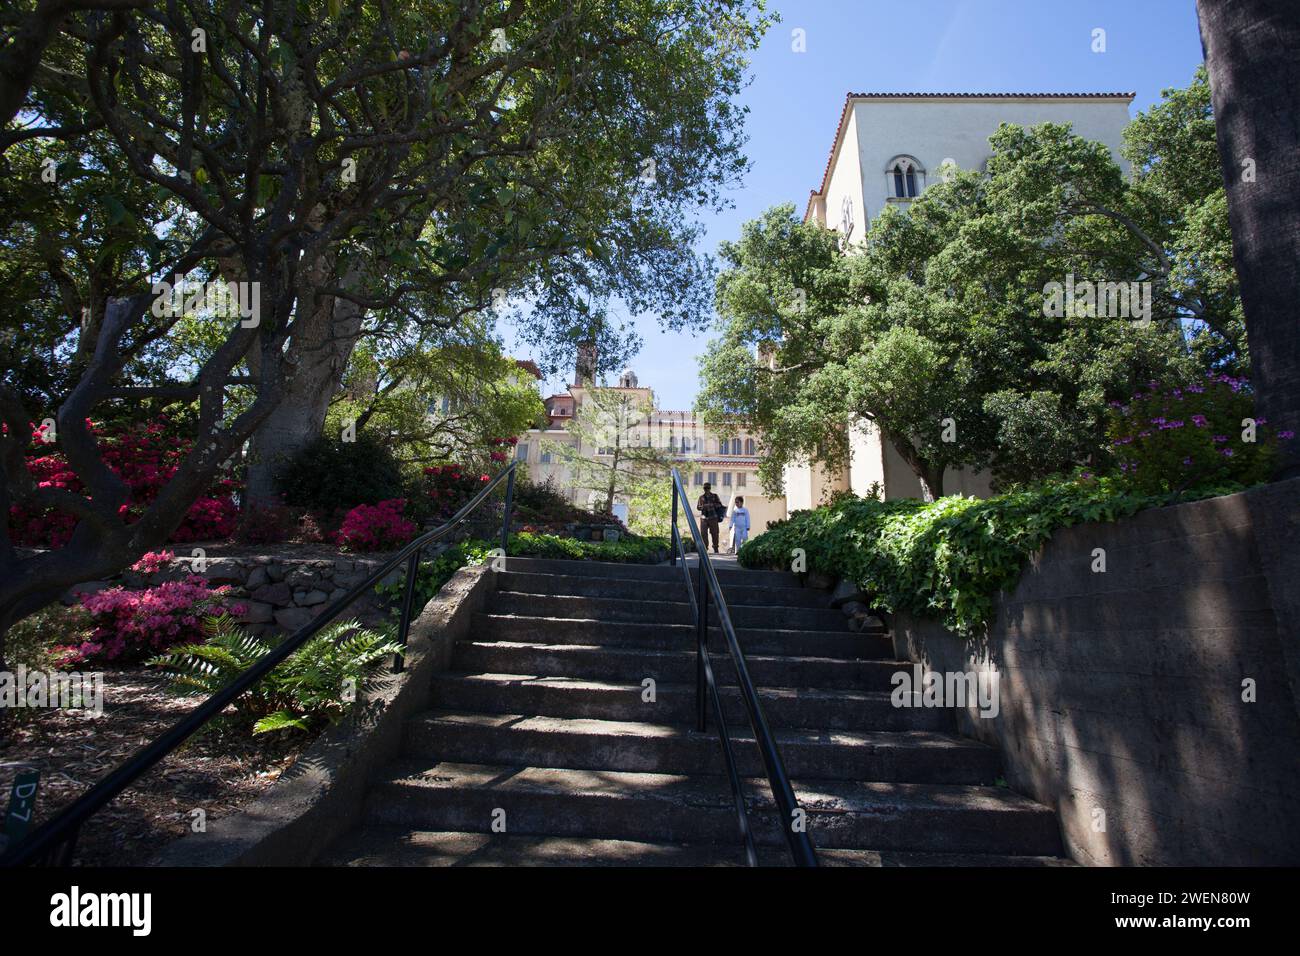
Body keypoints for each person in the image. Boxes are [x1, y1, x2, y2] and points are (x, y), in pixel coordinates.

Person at [696, 482, 723, 554]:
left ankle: (716, 548)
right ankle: (705, 549)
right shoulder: (701, 497)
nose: (706, 489)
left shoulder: (715, 496)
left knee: (715, 533)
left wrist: (711, 505)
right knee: (703, 534)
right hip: (704, 518)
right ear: (704, 489)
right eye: (705, 488)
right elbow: (698, 507)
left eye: (708, 488)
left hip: (713, 517)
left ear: (710, 488)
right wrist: (702, 507)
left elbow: (720, 505)